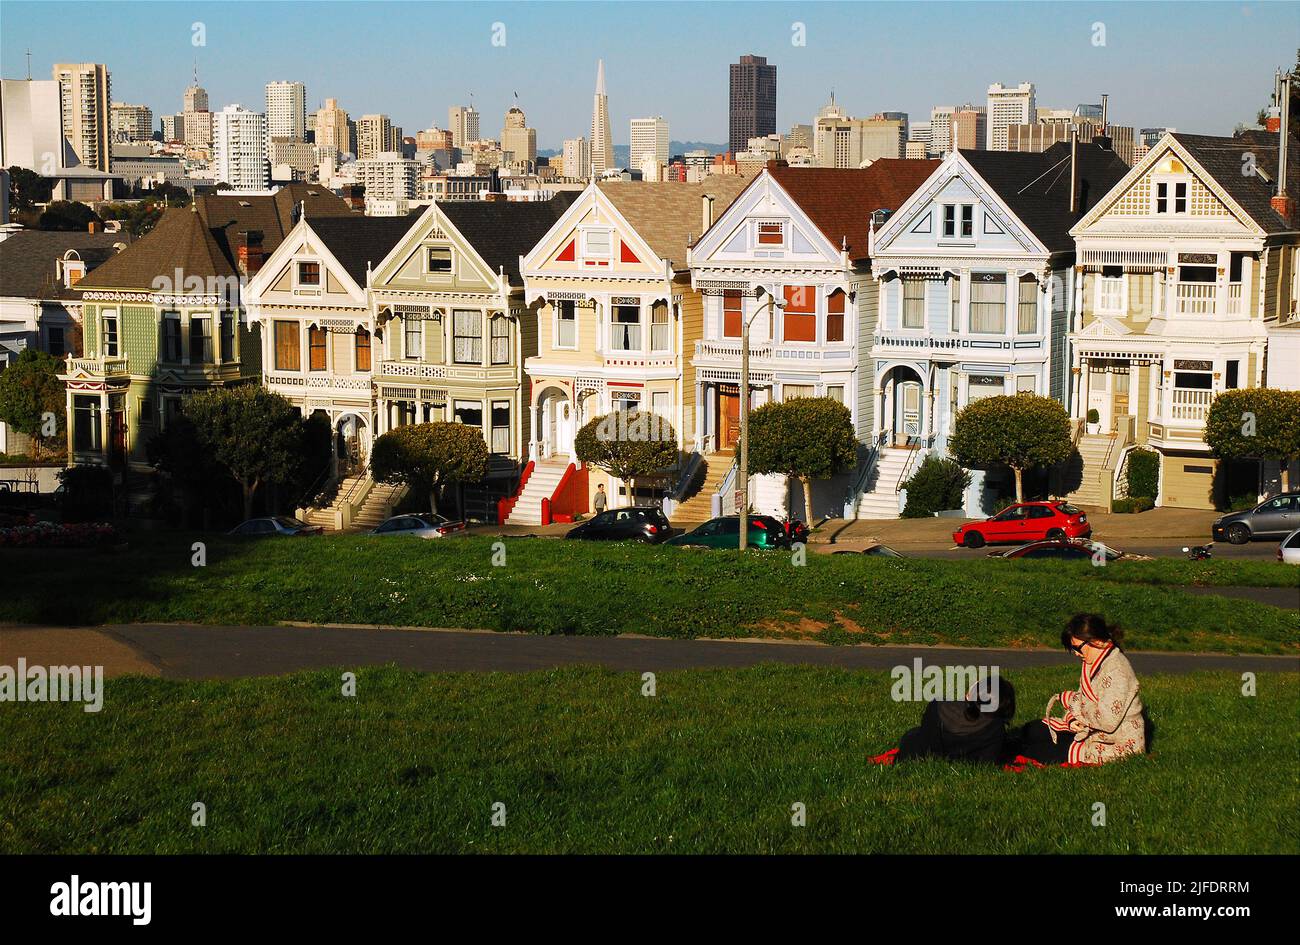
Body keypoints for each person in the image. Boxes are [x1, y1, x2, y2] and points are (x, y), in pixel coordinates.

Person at [1017, 613, 1146, 765]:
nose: (1076, 653)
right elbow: (1082, 697)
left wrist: (1072, 701)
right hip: (1088, 729)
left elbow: (1107, 721)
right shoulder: (1092, 661)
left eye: (1077, 648)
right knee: (1031, 730)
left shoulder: (1118, 670)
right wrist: (1071, 720)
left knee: (1034, 752)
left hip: (1114, 743)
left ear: (1096, 640)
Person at [894, 676, 1017, 765]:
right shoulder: (995, 730)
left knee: (912, 735)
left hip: (931, 752)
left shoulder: (938, 706)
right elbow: (989, 760)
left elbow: (926, 737)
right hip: (969, 755)